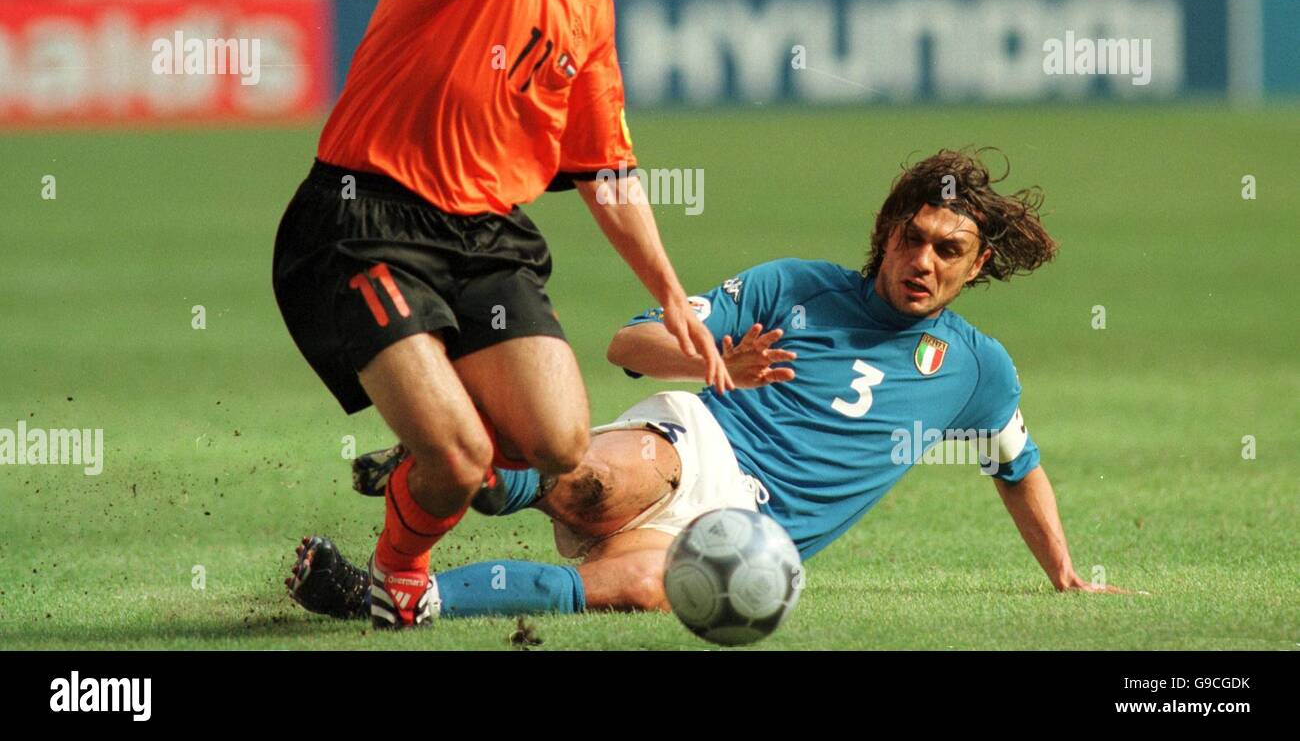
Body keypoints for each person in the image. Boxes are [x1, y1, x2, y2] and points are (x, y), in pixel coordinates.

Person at [272, 0, 753, 629]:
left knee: (561, 443)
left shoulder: (590, 7)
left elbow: (606, 170)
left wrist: (667, 293)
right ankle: (399, 573)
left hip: (487, 236)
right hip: (368, 219)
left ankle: (431, 451)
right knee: (456, 460)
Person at [287, 149, 1131, 625]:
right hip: (697, 443)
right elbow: (630, 340)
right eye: (914, 239)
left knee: (640, 589)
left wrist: (1063, 571)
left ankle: (407, 598)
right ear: (887, 233)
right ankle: (473, 464)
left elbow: (1017, 463)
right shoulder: (794, 285)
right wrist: (715, 363)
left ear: (977, 265)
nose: (925, 262)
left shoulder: (979, 369)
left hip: (749, 538)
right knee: (596, 487)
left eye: (950, 251)